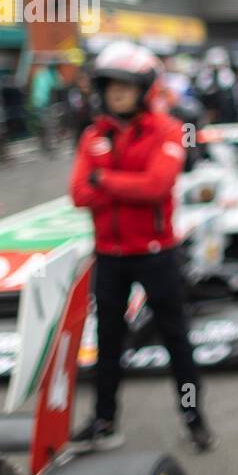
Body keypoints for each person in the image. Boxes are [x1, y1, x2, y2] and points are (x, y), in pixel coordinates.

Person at [68, 41, 213, 452]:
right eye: (110, 85)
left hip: (157, 254)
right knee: (108, 343)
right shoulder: (93, 135)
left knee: (175, 339)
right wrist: (107, 184)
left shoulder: (168, 130)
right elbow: (78, 193)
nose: (116, 92)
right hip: (109, 257)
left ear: (144, 89)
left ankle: (194, 419)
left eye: (125, 86)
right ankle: (103, 420)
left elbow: (156, 186)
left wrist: (104, 180)